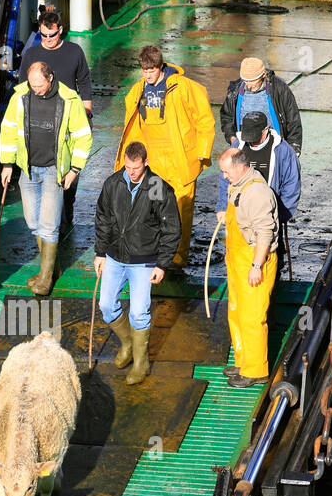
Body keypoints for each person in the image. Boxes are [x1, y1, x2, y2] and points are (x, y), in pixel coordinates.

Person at [115, 44, 215, 269]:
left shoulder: (186, 88)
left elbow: (205, 120)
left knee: (181, 209)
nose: (147, 75)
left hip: (180, 160)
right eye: (144, 71)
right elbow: (132, 126)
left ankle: (177, 257)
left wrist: (201, 154)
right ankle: (155, 252)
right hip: (154, 160)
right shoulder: (136, 91)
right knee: (154, 209)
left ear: (161, 67)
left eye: (151, 71)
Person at [0, 60, 92, 297]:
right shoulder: (20, 97)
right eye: (31, 85)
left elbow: (83, 136)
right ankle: (50, 269)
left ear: (50, 78)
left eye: (39, 85)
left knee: (49, 226)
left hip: (55, 171)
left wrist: (74, 170)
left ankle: (45, 279)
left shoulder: (69, 100)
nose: (35, 89)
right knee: (33, 224)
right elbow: (8, 130)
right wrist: (8, 163)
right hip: (28, 171)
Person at [93, 140, 181, 385]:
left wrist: (162, 264)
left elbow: (171, 229)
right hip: (114, 256)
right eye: (128, 167)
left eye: (136, 168)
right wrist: (100, 252)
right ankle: (128, 342)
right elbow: (102, 219)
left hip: (144, 261)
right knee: (106, 306)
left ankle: (141, 363)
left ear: (145, 163)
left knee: (139, 312)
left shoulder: (156, 187)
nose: (131, 173)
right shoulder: (113, 183)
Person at [18, 7, 92, 229]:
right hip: (40, 120)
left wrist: (87, 112)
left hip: (69, 119)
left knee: (69, 169)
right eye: (44, 35)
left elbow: (84, 81)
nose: (48, 40)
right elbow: (22, 86)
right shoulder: (31, 55)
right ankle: (48, 219)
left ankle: (66, 206)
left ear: (60, 30)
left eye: (52, 35)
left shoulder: (74, 51)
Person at [218, 145, 279, 388]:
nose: (224, 177)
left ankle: (256, 370)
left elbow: (265, 233)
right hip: (237, 260)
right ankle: (242, 361)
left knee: (253, 317)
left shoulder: (257, 193)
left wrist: (256, 265)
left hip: (254, 260)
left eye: (226, 172)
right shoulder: (238, 185)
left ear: (240, 167)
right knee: (237, 311)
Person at [215, 110, 301, 271]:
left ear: (266, 130)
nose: (252, 143)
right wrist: (222, 206)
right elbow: (223, 177)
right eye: (249, 138)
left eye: (255, 138)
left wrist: (280, 215)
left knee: (270, 251)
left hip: (266, 212)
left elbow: (292, 185)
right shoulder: (238, 146)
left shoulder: (283, 151)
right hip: (239, 210)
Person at [220, 56, 303, 155]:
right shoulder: (235, 90)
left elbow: (293, 119)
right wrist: (232, 138)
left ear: (263, 75)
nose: (249, 85)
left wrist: (294, 148)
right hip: (245, 145)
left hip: (274, 146)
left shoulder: (279, 88)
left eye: (253, 81)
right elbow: (227, 116)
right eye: (245, 80)